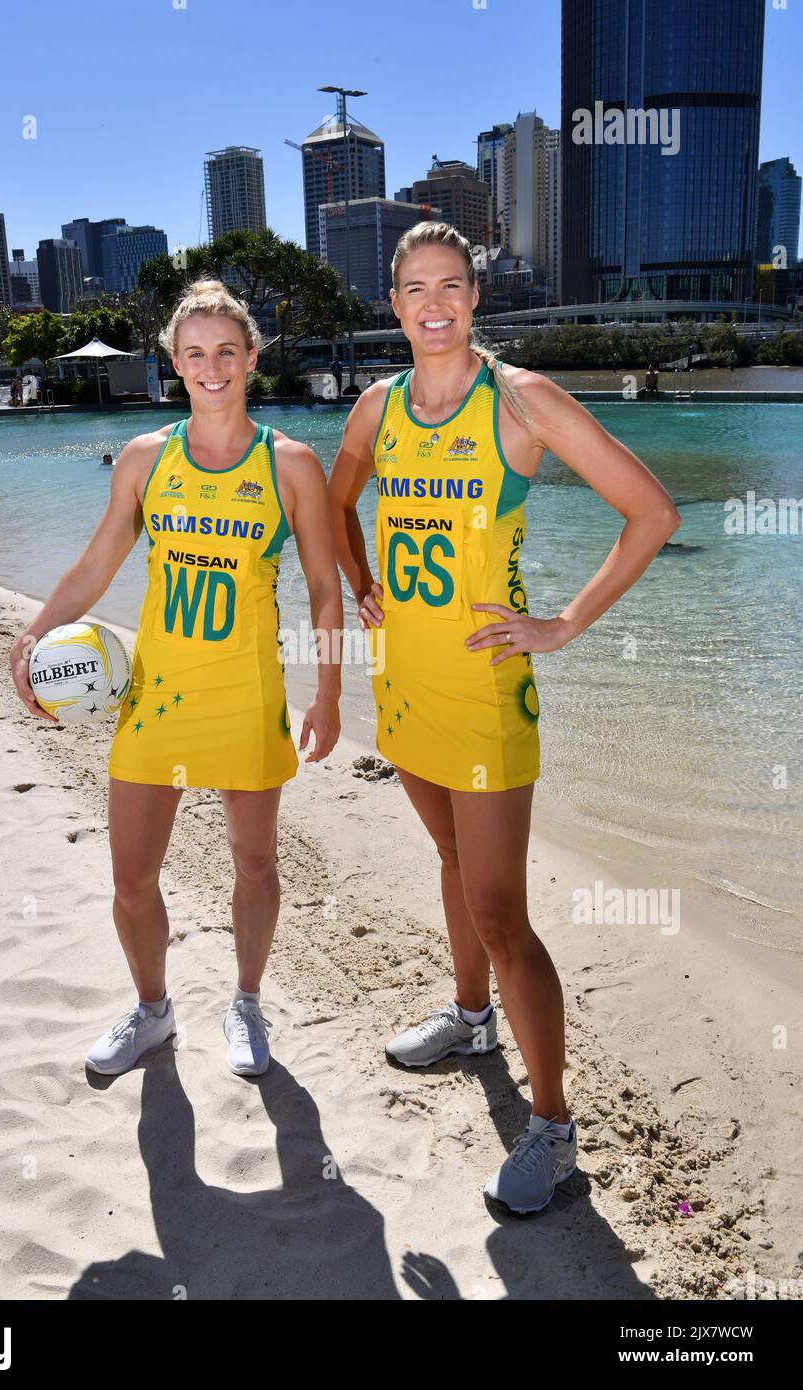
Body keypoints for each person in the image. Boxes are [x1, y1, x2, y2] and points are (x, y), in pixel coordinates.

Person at [327, 222, 680, 1216]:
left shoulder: (521, 401)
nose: (432, 303)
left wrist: (560, 624)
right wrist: (361, 583)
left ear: (474, 298)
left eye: (451, 285)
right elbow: (337, 501)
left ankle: (554, 1128)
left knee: (500, 912)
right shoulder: (375, 407)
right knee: (451, 867)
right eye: (413, 288)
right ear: (392, 305)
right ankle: (472, 1019)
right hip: (404, 685)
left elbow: (650, 513)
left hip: (486, 695)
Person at [10, 280, 342, 1080]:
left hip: (246, 695)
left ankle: (247, 1003)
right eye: (194, 352)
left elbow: (326, 589)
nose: (211, 365)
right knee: (130, 877)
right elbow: (97, 564)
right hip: (155, 694)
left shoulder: (290, 464)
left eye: (226, 350)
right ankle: (153, 1011)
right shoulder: (144, 458)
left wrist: (329, 694)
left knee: (254, 865)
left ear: (251, 358)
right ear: (174, 363)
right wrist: (33, 633)